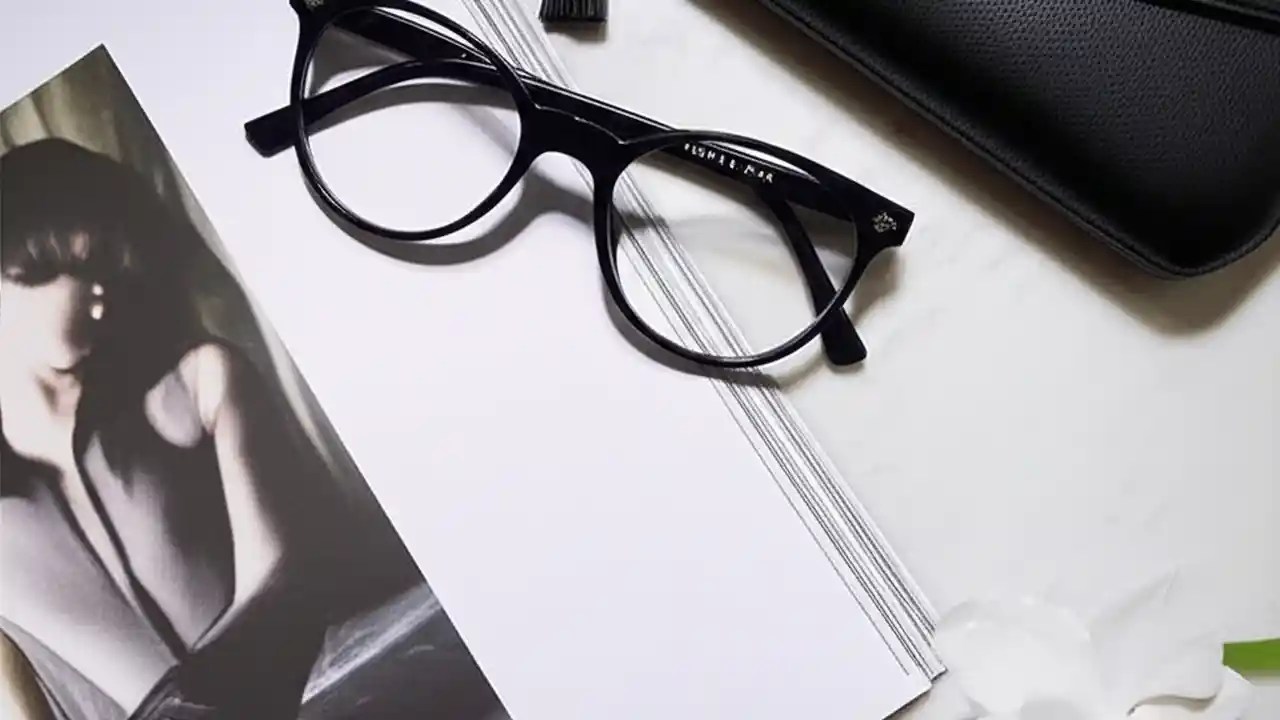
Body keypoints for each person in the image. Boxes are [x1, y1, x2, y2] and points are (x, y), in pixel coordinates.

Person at [0, 139, 386, 720]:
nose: (102, 297)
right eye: (79, 271)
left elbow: (284, 573)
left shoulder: (199, 383)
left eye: (110, 267)